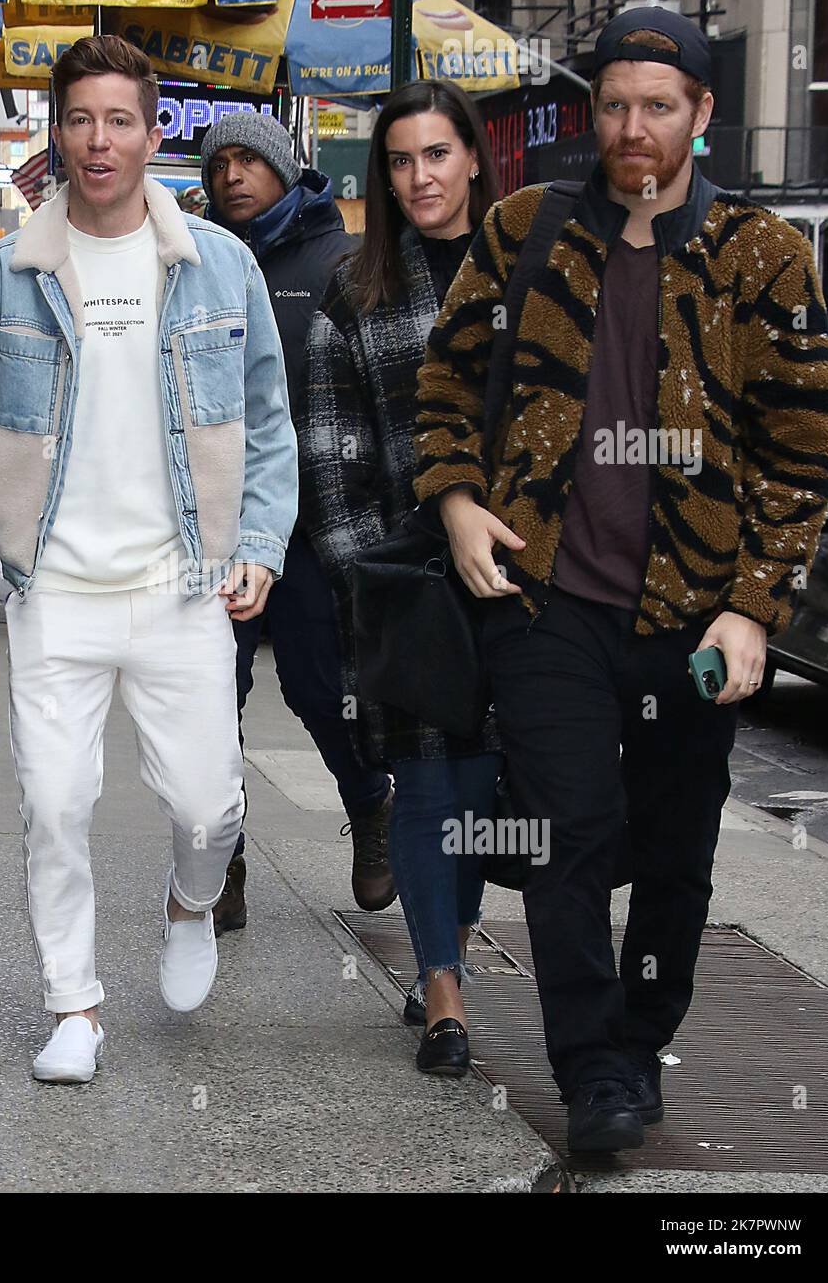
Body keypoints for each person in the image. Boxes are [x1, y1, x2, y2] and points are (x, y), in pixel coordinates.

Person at [415, 9, 828, 1151]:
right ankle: (593, 1068)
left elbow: (802, 447)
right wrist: (458, 503)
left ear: (702, 114)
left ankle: (642, 1037)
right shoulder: (520, 232)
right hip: (546, 595)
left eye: (658, 105)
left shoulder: (761, 255)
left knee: (671, 852)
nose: (632, 127)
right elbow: (446, 389)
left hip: (694, 610)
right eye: (613, 105)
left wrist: (753, 605)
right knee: (561, 835)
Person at [0, 35, 296, 1085]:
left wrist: (261, 546)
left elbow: (269, 422)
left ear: (153, 133)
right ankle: (74, 1003)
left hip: (182, 581)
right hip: (51, 586)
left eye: (120, 121)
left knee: (208, 805)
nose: (100, 141)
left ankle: (190, 902)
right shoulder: (3, 275)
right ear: (57, 131)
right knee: (53, 802)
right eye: (81, 120)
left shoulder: (218, 265)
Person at [298, 80, 503, 1077]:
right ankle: (442, 991)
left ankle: (448, 938)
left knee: (489, 782)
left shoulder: (534, 277)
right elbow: (329, 456)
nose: (418, 175)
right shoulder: (354, 289)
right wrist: (368, 576)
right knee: (424, 779)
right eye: (399, 159)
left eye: (435, 153)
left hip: (524, 575)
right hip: (411, 581)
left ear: (471, 157)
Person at [200, 111, 394, 928]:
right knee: (212, 697)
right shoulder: (197, 260)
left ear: (287, 167)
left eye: (250, 160)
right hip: (214, 526)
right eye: (219, 165)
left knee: (322, 689)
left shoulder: (340, 259)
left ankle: (370, 812)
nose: (232, 177)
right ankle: (226, 857)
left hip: (315, 525)